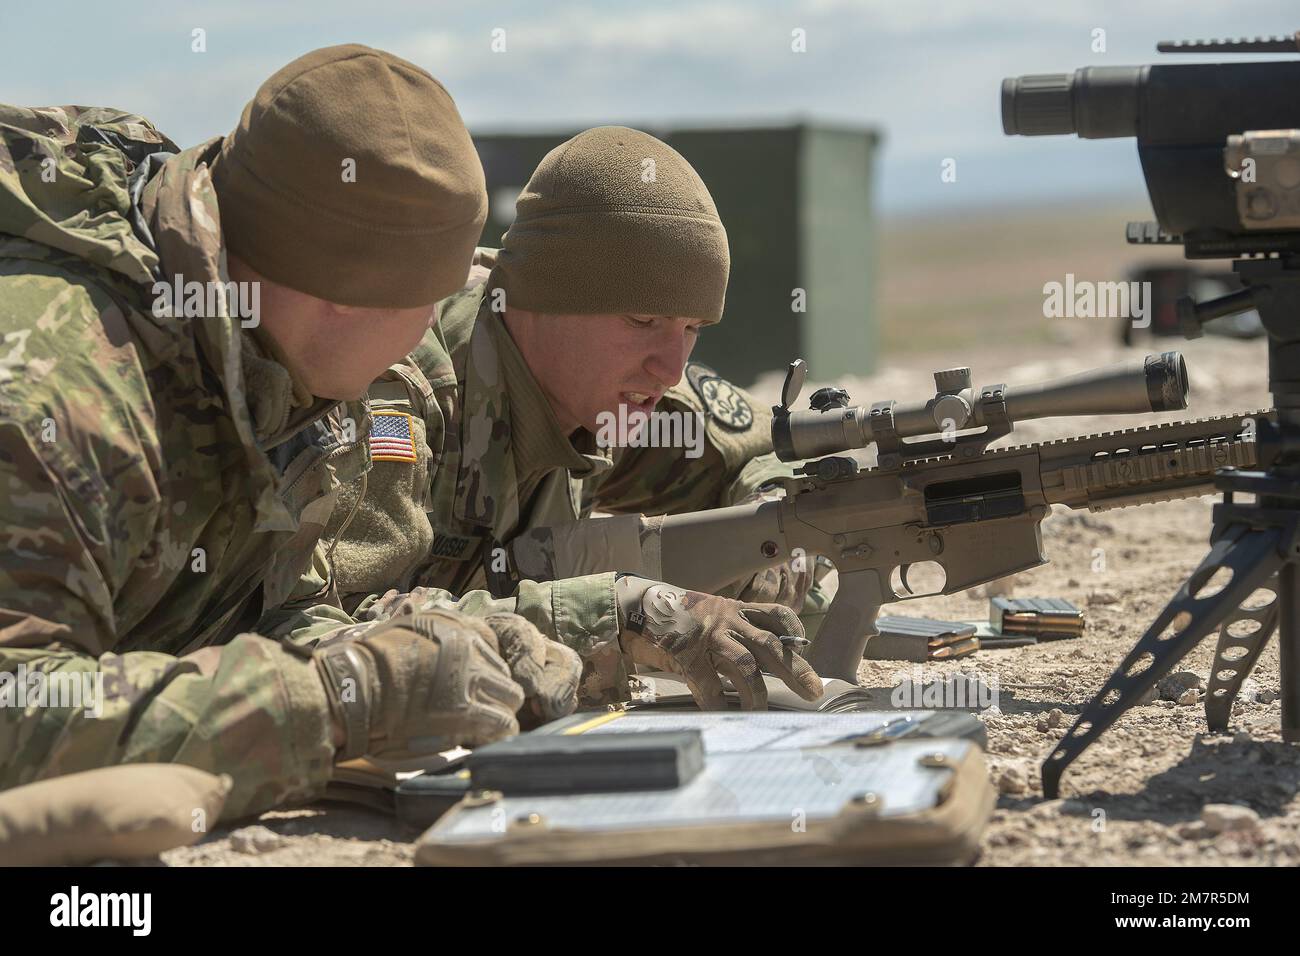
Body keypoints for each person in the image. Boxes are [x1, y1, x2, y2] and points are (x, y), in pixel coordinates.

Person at [0, 45, 576, 820]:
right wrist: (342, 697)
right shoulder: (53, 393)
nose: (426, 342)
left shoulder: (267, 363)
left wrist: (472, 641)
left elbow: (263, 621)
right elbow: (20, 708)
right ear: (353, 297)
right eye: (434, 300)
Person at [324, 127, 826, 712]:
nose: (670, 367)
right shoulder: (397, 389)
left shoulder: (623, 388)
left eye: (692, 329)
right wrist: (623, 617)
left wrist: (771, 545)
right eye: (642, 319)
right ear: (541, 298)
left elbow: (767, 451)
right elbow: (339, 635)